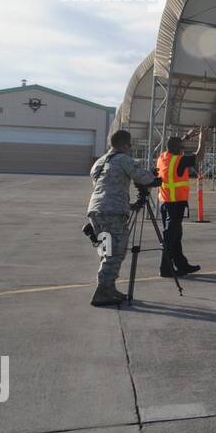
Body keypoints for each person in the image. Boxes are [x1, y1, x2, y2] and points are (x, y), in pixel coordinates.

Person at [86, 129, 157, 307]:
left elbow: (104, 183)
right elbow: (142, 176)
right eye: (130, 145)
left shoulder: (99, 162)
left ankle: (108, 287)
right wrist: (154, 178)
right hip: (113, 212)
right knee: (114, 252)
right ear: (125, 145)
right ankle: (103, 291)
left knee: (106, 250)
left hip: (96, 211)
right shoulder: (123, 159)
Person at [155, 127, 205, 278]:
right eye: (182, 148)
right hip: (175, 204)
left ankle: (181, 264)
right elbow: (199, 156)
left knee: (175, 235)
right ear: (178, 150)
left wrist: (187, 137)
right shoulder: (179, 161)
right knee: (171, 237)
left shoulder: (164, 156)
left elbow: (175, 144)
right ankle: (165, 269)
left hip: (165, 202)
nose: (184, 150)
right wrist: (203, 138)